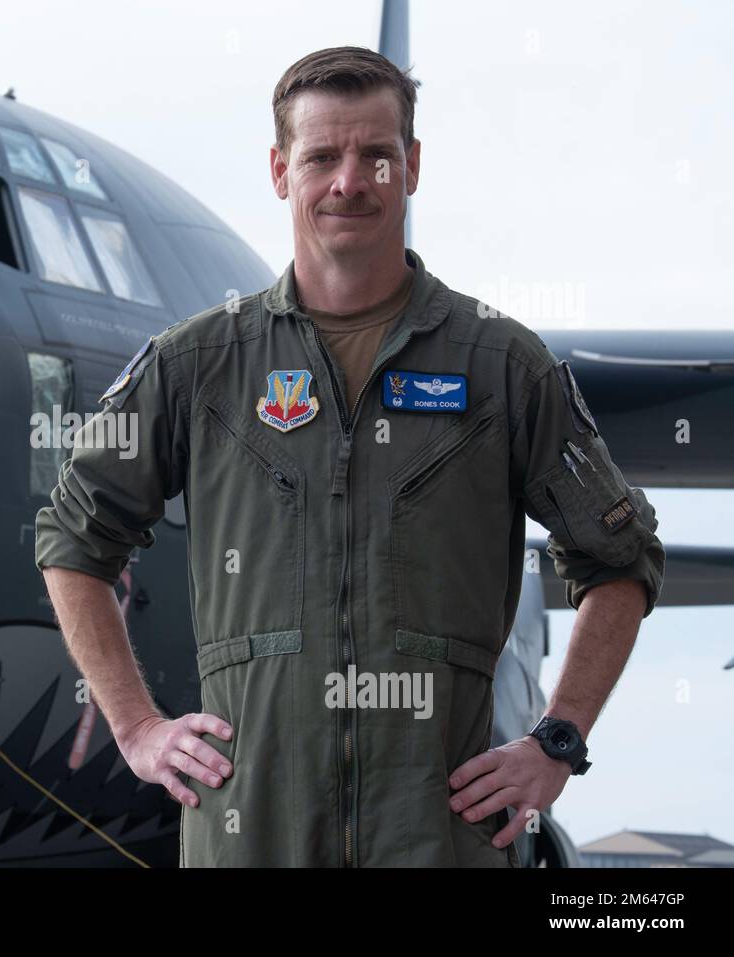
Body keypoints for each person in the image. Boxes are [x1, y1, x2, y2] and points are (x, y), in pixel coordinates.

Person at [34, 46, 664, 866]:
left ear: (412, 166)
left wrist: (557, 738)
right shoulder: (200, 365)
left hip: (440, 836)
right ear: (278, 170)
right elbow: (73, 536)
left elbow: (623, 554)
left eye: (376, 155)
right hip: (253, 832)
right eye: (322, 156)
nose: (349, 181)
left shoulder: (504, 368)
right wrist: (136, 726)